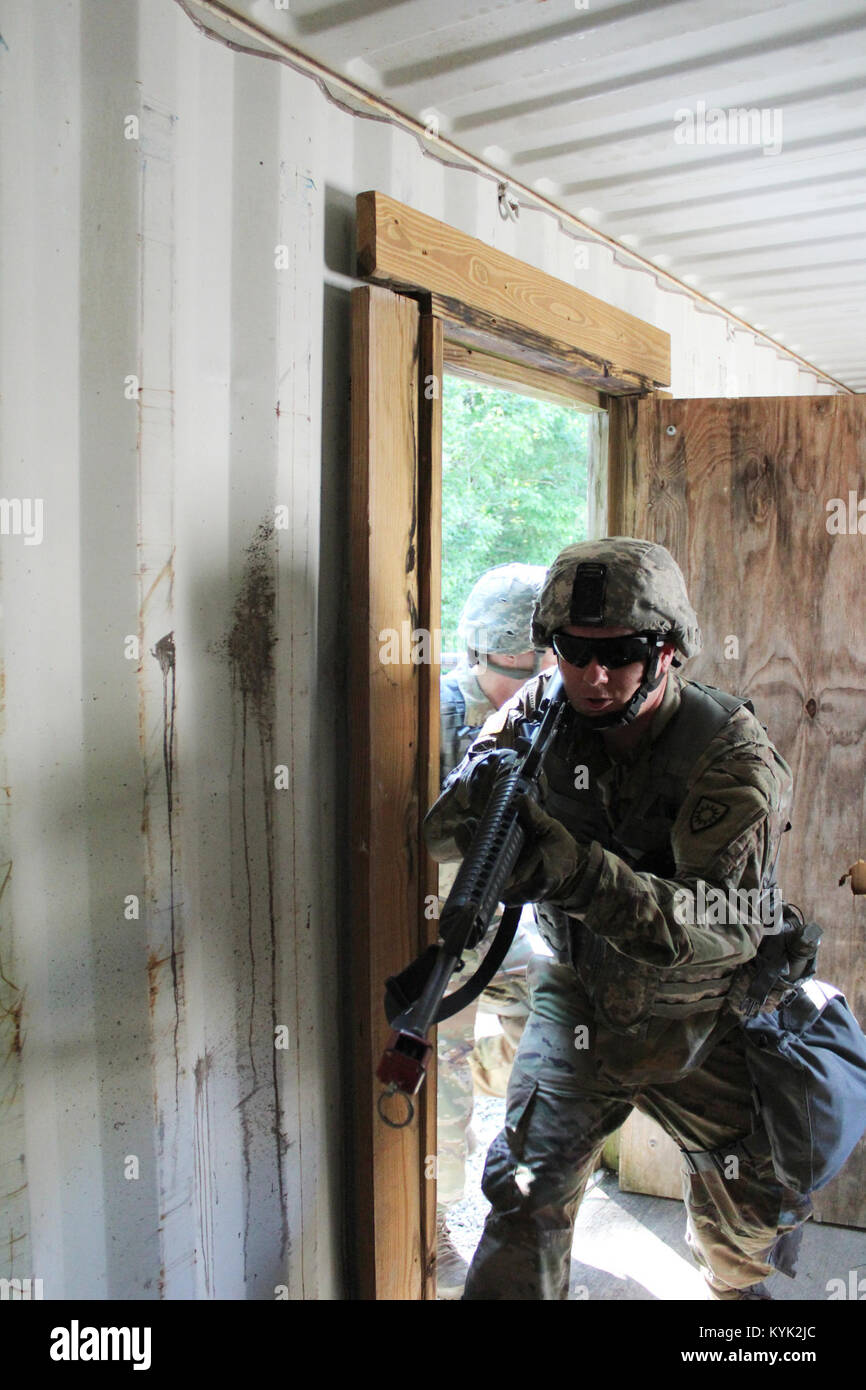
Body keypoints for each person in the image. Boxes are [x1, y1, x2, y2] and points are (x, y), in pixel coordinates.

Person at [424, 537, 813, 1301]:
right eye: (573, 649)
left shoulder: (728, 755)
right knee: (524, 1194)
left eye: (623, 652)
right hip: (581, 1000)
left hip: (707, 1019)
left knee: (751, 1221)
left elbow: (721, 926)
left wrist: (574, 869)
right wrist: (483, 785)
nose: (595, 676)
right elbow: (440, 833)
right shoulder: (542, 710)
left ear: (668, 651)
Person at [435, 563, 554, 1298]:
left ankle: (531, 1193)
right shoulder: (430, 710)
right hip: (441, 918)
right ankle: (433, 1225)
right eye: (520, 668)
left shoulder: (566, 705)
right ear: (477, 655)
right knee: (435, 1070)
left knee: (548, 1036)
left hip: (512, 922)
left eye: (549, 662)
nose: (539, 679)